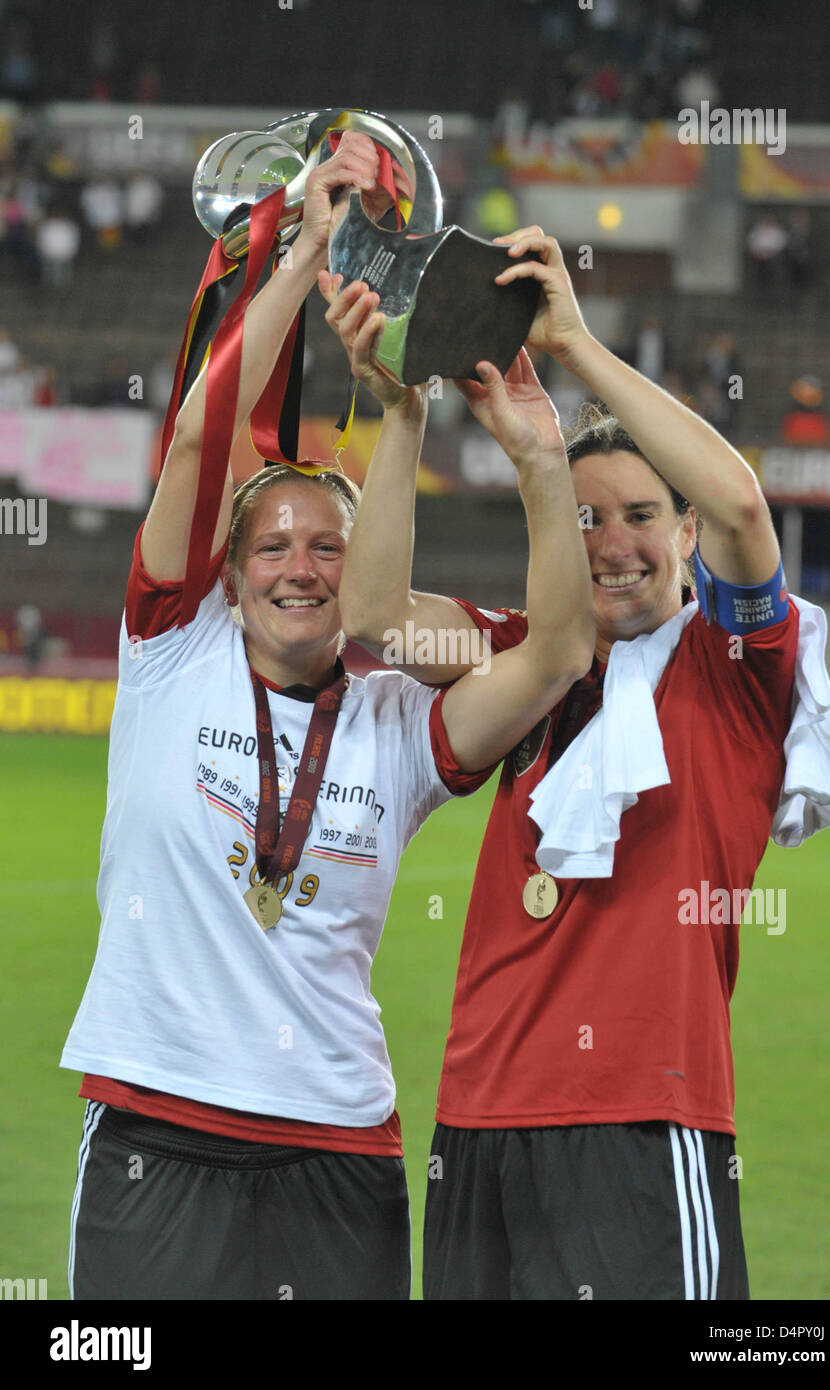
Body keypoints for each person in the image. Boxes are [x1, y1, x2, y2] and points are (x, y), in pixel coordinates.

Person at [60, 145, 592, 1301]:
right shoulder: (171, 646)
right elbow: (205, 439)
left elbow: (555, 654)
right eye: (269, 545)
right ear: (229, 571)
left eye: (327, 546)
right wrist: (306, 245)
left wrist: (485, 437)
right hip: (159, 1125)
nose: (297, 569)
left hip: (336, 1147)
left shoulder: (401, 718)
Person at [324, 228, 830, 1300]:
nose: (610, 541)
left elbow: (744, 505)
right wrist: (399, 413)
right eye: (583, 517)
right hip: (478, 1118)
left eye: (637, 515)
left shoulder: (736, 667)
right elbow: (375, 619)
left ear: (679, 534)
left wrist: (567, 340)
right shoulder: (521, 657)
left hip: (642, 1117)